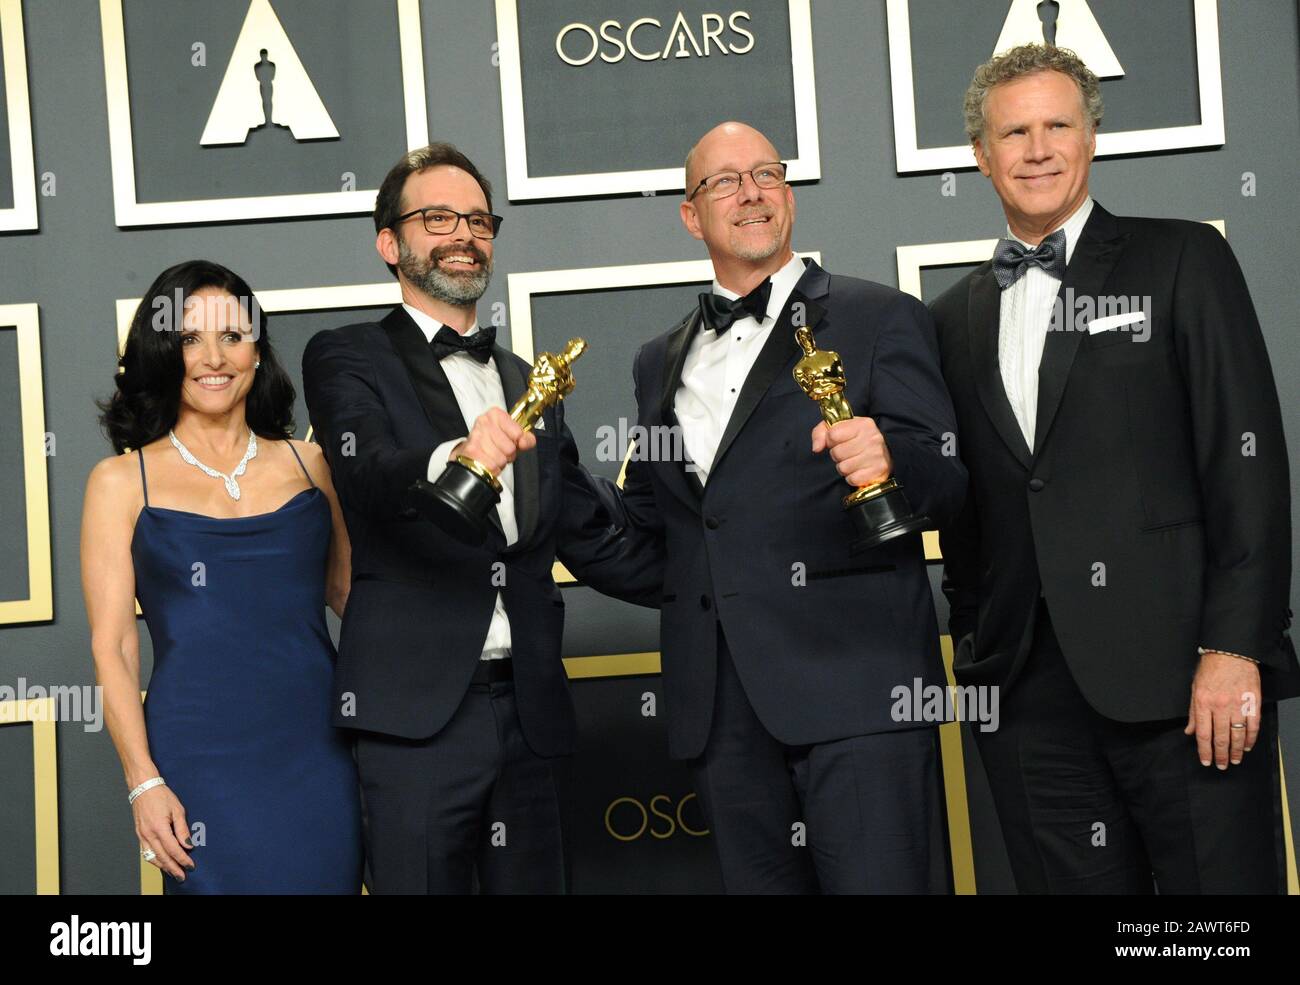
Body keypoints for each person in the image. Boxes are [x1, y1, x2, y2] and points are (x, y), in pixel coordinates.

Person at [930, 43, 1300, 893]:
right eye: (1014, 132)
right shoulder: (948, 318)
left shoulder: (1181, 260)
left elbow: (1245, 460)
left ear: (1092, 137)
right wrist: (979, 651)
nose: (1037, 148)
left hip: (1184, 675)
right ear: (982, 158)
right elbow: (966, 503)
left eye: (1058, 124)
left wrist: (1234, 647)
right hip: (1026, 698)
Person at [614, 122, 968, 892]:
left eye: (767, 173)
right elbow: (661, 527)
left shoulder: (879, 315)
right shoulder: (656, 360)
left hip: (859, 694)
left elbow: (948, 480)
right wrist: (554, 481)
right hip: (723, 710)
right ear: (690, 214)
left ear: (789, 194)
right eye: (725, 181)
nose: (751, 192)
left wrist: (892, 458)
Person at [301, 143, 658, 894]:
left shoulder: (529, 380)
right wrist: (457, 458)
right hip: (414, 722)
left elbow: (586, 532)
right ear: (389, 243)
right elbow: (367, 473)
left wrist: (721, 567)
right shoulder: (345, 356)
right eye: (437, 217)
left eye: (477, 219)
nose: (463, 233)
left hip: (532, 712)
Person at [81, 260, 362, 893]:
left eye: (232, 336)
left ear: (257, 351)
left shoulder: (310, 463)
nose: (214, 357)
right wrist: (143, 782)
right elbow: (114, 645)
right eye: (189, 338)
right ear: (164, 351)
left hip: (318, 748)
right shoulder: (120, 482)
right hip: (198, 756)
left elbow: (353, 598)